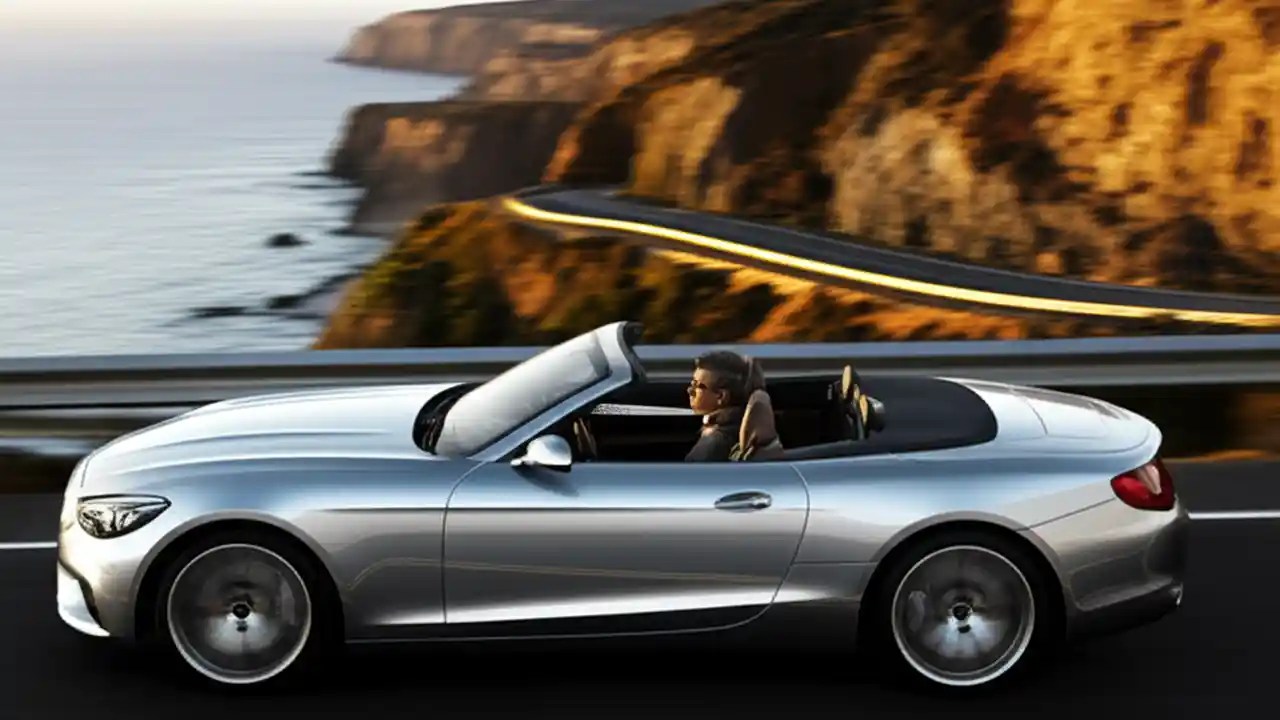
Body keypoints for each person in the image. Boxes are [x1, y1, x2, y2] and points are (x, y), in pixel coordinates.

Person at [685, 350, 778, 461]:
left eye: (697, 385)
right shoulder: (735, 427)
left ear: (721, 396)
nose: (690, 390)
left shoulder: (713, 443)